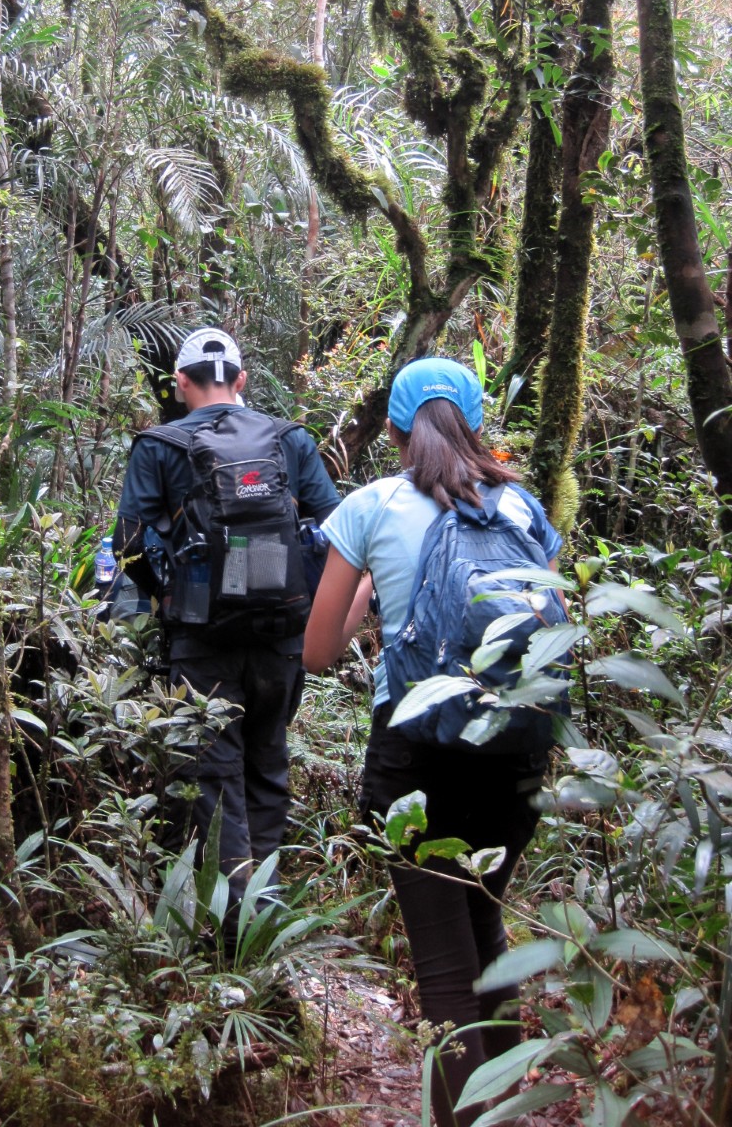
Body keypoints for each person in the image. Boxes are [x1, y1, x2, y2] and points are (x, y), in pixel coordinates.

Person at [303, 358, 561, 1127]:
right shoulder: (521, 506)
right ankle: (508, 1109)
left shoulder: (372, 505)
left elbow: (318, 653)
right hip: (514, 752)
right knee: (485, 931)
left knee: (445, 967)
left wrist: (378, 595)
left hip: (415, 751)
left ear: (391, 426)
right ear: (478, 421)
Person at [112, 327, 340, 907]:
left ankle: (234, 922)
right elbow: (338, 529)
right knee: (267, 760)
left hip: (201, 638)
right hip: (283, 634)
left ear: (181, 383)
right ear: (241, 381)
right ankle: (267, 908)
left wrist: (163, 599)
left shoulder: (158, 445)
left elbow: (130, 542)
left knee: (215, 775)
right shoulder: (290, 439)